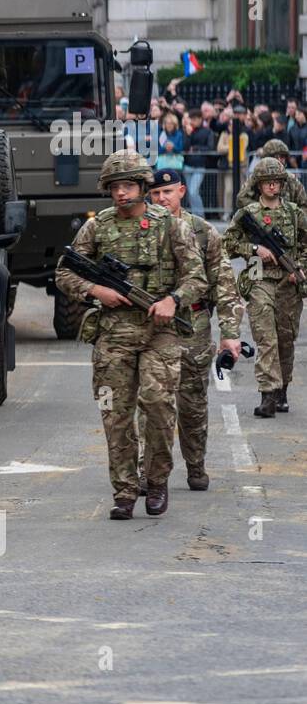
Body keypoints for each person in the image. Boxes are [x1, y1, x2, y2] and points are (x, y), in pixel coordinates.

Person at [54, 151, 206, 520]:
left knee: (157, 406)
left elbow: (198, 277)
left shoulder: (170, 226)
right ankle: (124, 491)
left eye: (128, 186)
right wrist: (95, 291)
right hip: (114, 334)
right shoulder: (97, 227)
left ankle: (156, 482)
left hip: (161, 333)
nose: (121, 194)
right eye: (114, 187)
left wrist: (173, 299)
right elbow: (64, 273)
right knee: (114, 414)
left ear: (143, 186)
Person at [148, 169, 243, 490]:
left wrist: (229, 332)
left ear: (182, 192)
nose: (162, 199)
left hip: (194, 327)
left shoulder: (203, 233)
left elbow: (224, 285)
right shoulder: (142, 230)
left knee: (191, 404)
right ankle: (146, 471)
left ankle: (195, 465)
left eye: (168, 192)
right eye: (156, 194)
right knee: (149, 402)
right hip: (152, 326)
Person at [223, 158, 307, 419]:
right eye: (267, 182)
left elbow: (305, 245)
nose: (272, 186)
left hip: (287, 284)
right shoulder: (247, 214)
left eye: (276, 182)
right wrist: (254, 248)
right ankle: (267, 394)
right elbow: (228, 243)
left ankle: (282, 388)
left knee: (285, 340)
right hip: (259, 280)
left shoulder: (295, 213)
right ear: (258, 185)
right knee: (266, 339)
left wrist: (300, 268)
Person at [236, 139, 307, 209]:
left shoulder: (291, 179)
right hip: (262, 218)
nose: (279, 160)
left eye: (282, 157)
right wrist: (262, 209)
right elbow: (241, 199)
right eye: (275, 157)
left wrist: (294, 216)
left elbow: (304, 203)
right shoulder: (257, 177)